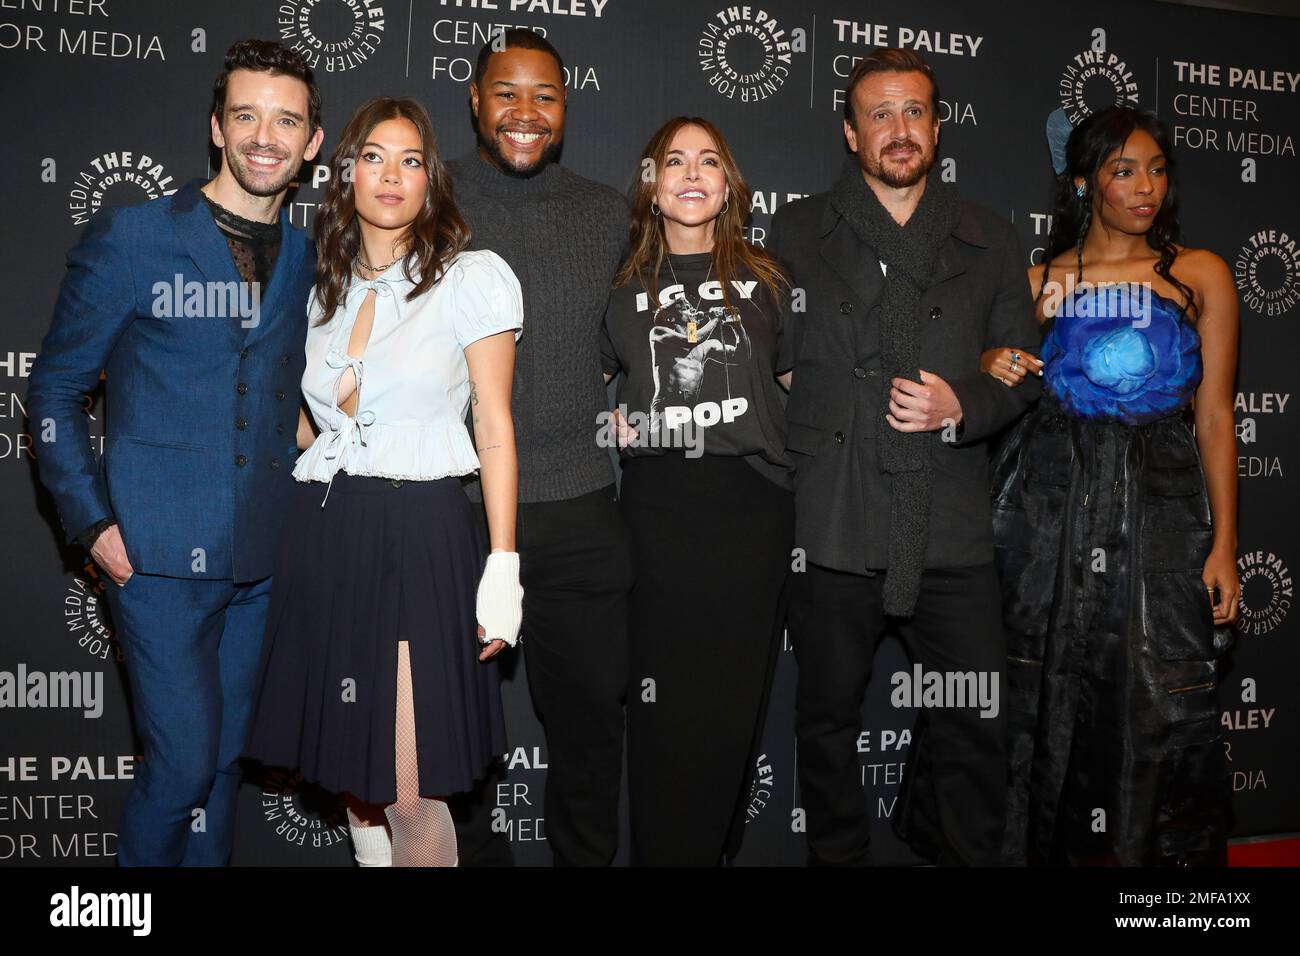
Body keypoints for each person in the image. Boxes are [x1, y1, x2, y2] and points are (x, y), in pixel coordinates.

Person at [26, 40, 324, 867]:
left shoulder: (304, 256)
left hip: (262, 559)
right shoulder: (136, 237)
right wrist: (90, 527)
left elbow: (280, 393)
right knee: (183, 764)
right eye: (246, 116)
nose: (265, 135)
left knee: (225, 764)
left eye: (286, 119)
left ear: (312, 142)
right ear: (216, 128)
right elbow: (51, 393)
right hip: (153, 558)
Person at [767, 48, 1042, 866]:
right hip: (833, 514)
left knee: (972, 724)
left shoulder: (988, 236)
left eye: (914, 111)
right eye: (879, 115)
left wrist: (965, 402)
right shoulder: (797, 230)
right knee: (825, 723)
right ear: (851, 133)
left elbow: (1023, 366)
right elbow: (777, 355)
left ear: (937, 125)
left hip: (948, 522)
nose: (898, 129)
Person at [240, 97, 524, 868]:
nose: (391, 175)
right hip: (328, 534)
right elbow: (319, 427)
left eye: (410, 160)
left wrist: (504, 564)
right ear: (346, 173)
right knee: (353, 782)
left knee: (408, 791)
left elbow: (493, 426)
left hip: (420, 536)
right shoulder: (320, 293)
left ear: (431, 180)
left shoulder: (469, 278)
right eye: (374, 157)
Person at [983, 106, 1239, 866]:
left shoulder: (1200, 274)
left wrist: (1225, 543)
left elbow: (1218, 417)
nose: (1145, 187)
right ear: (1084, 181)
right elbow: (1001, 391)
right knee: (1043, 690)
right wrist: (996, 361)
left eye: (1157, 169)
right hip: (1051, 509)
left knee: (1157, 693)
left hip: (1159, 507)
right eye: (1124, 170)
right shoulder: (1039, 281)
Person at [441, 29, 635, 866]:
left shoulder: (607, 213)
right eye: (507, 93)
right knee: (452, 734)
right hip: (452, 509)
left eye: (545, 96)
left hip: (580, 507)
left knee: (591, 731)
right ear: (477, 100)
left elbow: (634, 342)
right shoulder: (427, 193)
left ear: (566, 107)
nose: (526, 113)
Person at [600, 117, 794, 865]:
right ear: (651, 185)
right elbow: (573, 389)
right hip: (657, 513)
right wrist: (609, 419)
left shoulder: (772, 281)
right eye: (672, 161)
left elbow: (799, 391)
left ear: (728, 186)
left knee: (729, 715)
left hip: (751, 511)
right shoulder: (619, 287)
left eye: (708, 161)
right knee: (659, 715)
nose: (690, 173)